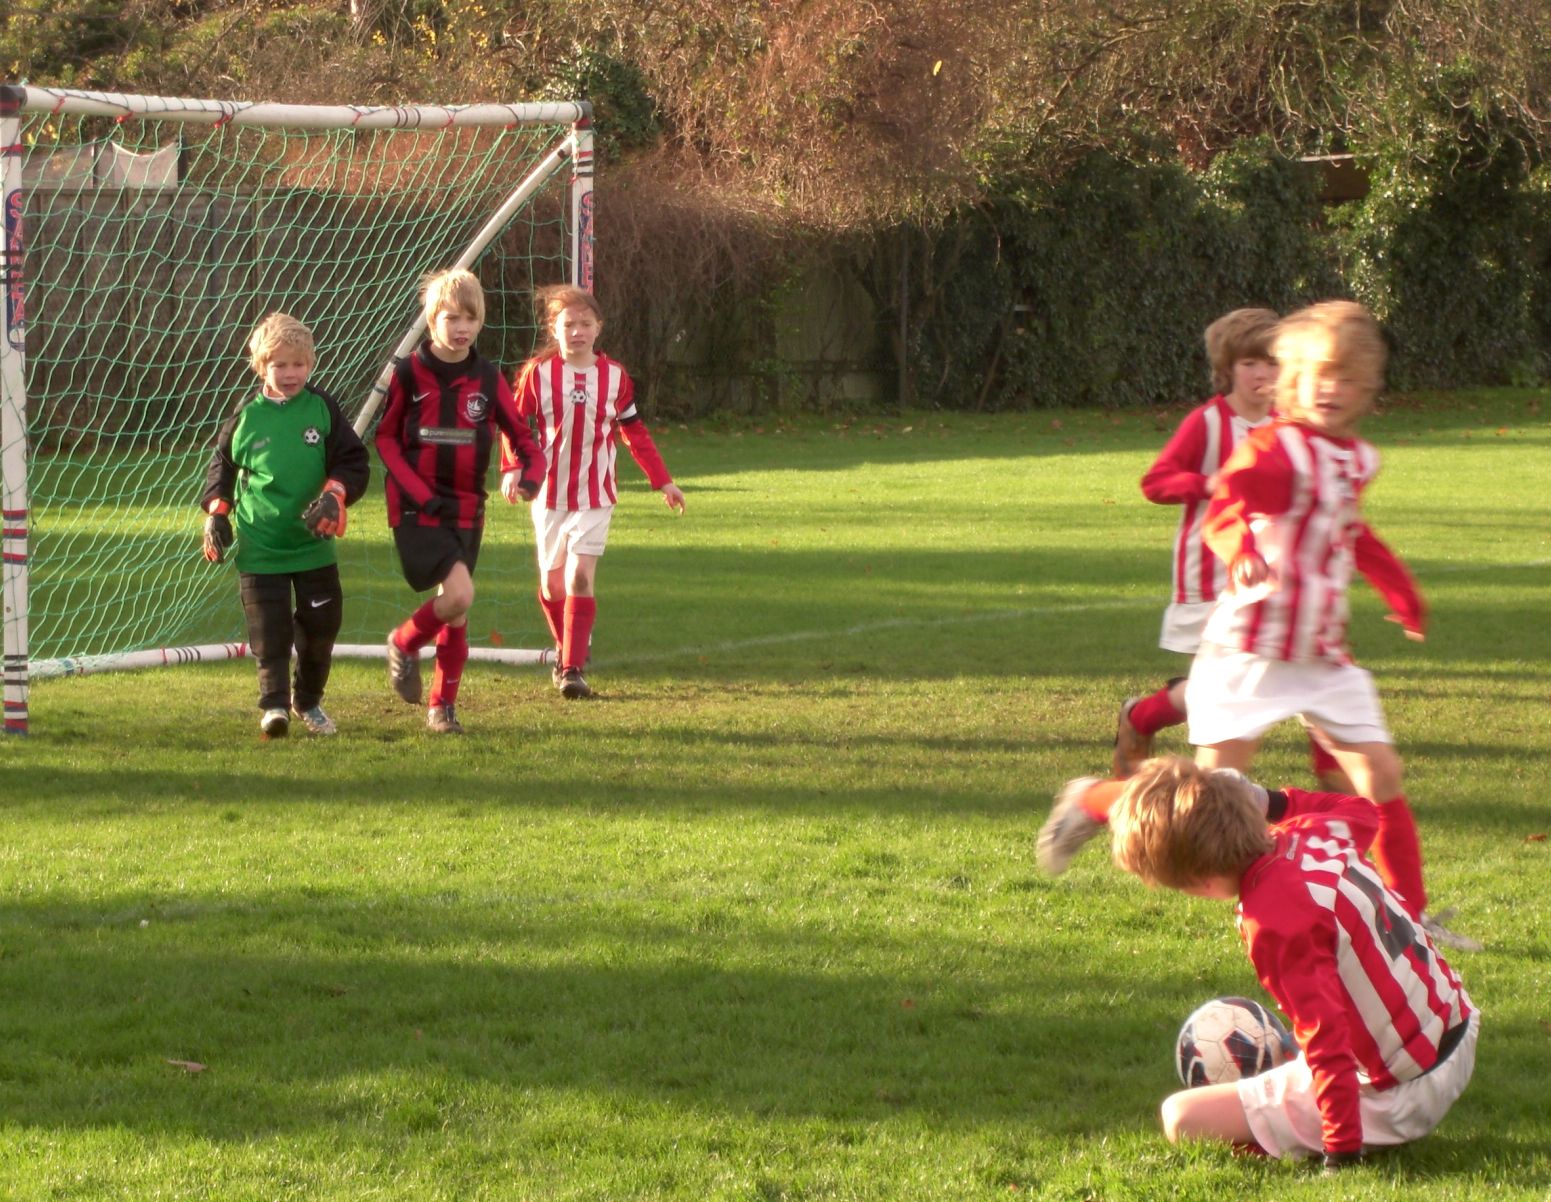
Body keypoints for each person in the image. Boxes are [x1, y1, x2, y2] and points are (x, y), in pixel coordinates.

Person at [1180, 299, 1476, 949]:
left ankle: (1407, 917)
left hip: (1322, 655)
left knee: (1379, 776)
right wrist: (1242, 551)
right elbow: (1224, 507)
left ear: (1367, 389)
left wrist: (1401, 595)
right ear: (1293, 378)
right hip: (1252, 648)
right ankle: (1094, 803)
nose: (1331, 389)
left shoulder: (1353, 460)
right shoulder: (1274, 450)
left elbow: (1352, 532)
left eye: (1347, 378)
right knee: (1211, 795)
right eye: (1319, 374)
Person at [1053, 756, 1477, 1169]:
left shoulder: (1276, 918)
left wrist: (1341, 1153)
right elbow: (1361, 810)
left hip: (1403, 1094)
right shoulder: (1309, 833)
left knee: (1181, 1116)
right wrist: (1271, 800)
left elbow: (1327, 1037)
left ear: (1198, 878)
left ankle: (1319, 1138)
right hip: (1458, 1029)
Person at [1113, 307, 1349, 793]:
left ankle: (1337, 793)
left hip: (1277, 580)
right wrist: (1209, 482)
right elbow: (1155, 482)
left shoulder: (1293, 426)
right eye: (1249, 364)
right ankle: (1140, 717)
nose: (1261, 374)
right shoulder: (1208, 423)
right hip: (1210, 577)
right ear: (1228, 369)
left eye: (1270, 364)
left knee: (1314, 676)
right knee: (1212, 694)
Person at [376, 268, 545, 734]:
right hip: (418, 508)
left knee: (457, 607)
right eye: (452, 317)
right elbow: (386, 440)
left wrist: (530, 474)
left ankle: (441, 707)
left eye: (470, 317)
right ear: (433, 321)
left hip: (468, 509)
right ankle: (404, 642)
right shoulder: (408, 372)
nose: (462, 327)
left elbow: (523, 438)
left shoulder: (488, 378)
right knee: (460, 594)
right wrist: (420, 493)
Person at [499, 285, 685, 699]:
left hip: (596, 494)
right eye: (568, 324)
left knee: (580, 577)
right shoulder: (538, 374)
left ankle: (571, 669)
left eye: (585, 323)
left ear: (598, 327)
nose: (577, 331)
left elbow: (633, 430)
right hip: (549, 495)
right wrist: (512, 466)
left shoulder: (615, 377)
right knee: (552, 587)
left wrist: (663, 480)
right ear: (554, 327)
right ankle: (571, 644)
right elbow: (513, 423)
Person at [200, 312, 370, 738]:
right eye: (280, 365)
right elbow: (220, 467)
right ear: (261, 366)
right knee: (270, 635)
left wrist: (334, 494)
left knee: (320, 632)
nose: (291, 373)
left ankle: (307, 701)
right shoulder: (246, 416)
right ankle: (273, 707)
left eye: (299, 364)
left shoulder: (322, 408)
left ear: (310, 364)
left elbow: (354, 461)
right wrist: (217, 513)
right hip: (262, 548)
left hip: (313, 546)